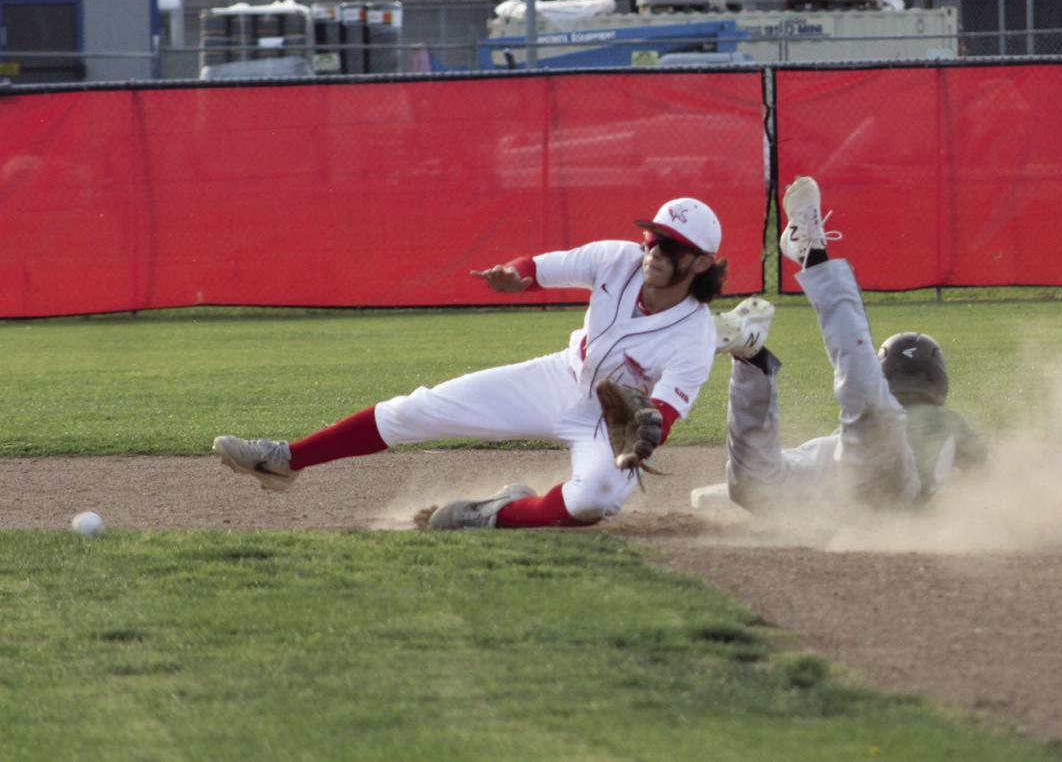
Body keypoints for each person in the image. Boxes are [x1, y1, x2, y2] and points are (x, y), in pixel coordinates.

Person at [214, 197, 728, 529]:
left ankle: (494, 516)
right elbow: (540, 268)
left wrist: (642, 435)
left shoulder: (695, 336)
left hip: (604, 425)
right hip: (558, 377)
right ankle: (286, 459)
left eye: (673, 247)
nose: (655, 250)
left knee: (593, 500)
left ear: (701, 263)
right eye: (653, 236)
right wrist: (515, 274)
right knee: (418, 410)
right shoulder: (615, 259)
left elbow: (662, 417)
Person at [693, 175, 985, 518]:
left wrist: (721, 495)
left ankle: (752, 358)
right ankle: (811, 253)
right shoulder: (944, 419)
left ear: (886, 375)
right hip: (866, 468)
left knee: (754, 487)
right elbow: (992, 479)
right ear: (938, 381)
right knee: (864, 406)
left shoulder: (904, 414)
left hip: (833, 456)